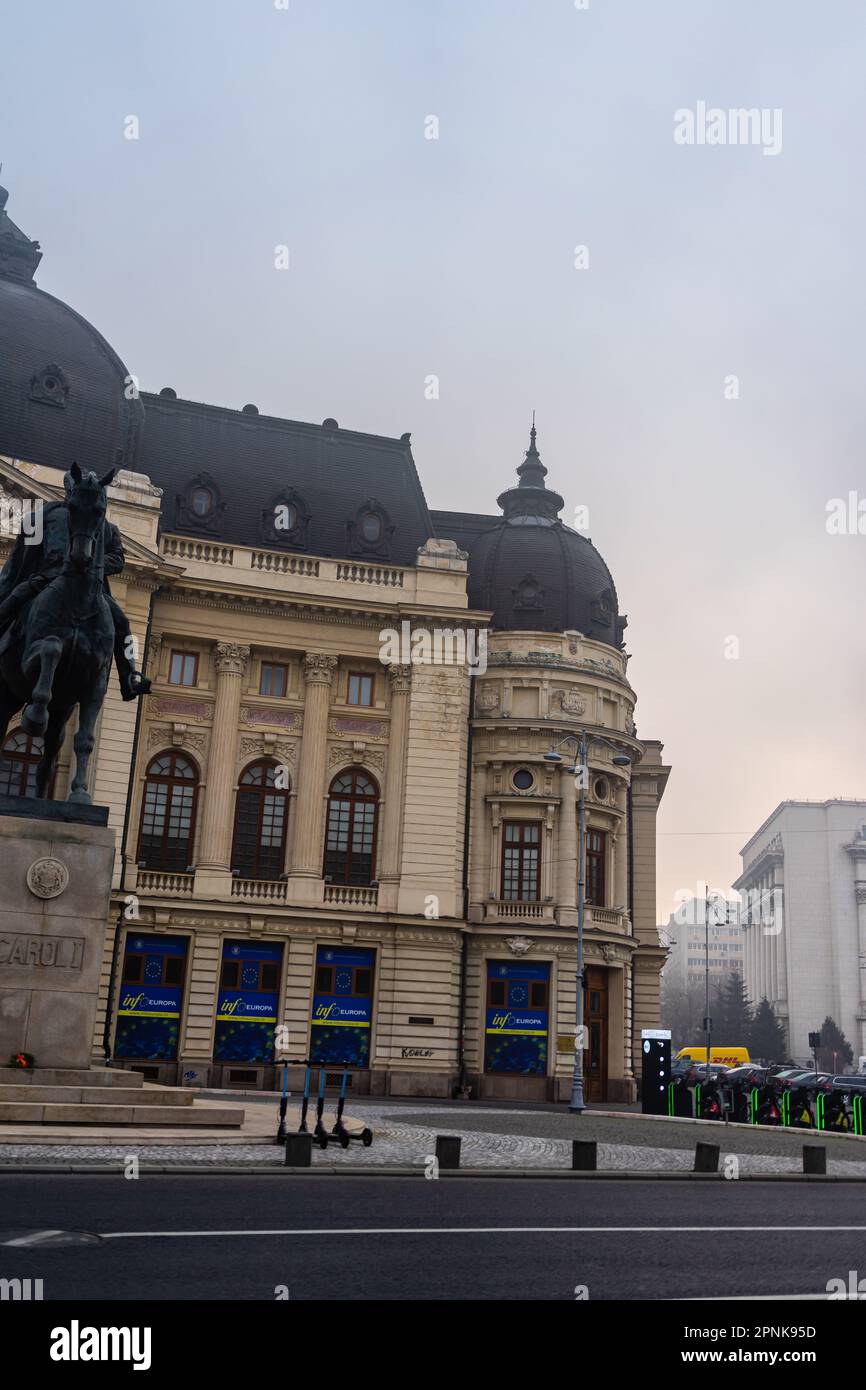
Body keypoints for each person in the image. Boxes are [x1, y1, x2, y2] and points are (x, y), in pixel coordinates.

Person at [0, 468, 151, 701]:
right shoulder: (43, 516)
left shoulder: (106, 528)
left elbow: (118, 559)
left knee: (123, 624)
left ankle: (130, 674)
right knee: (13, 600)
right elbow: (26, 554)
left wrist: (96, 565)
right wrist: (18, 579)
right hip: (45, 580)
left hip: (89, 586)